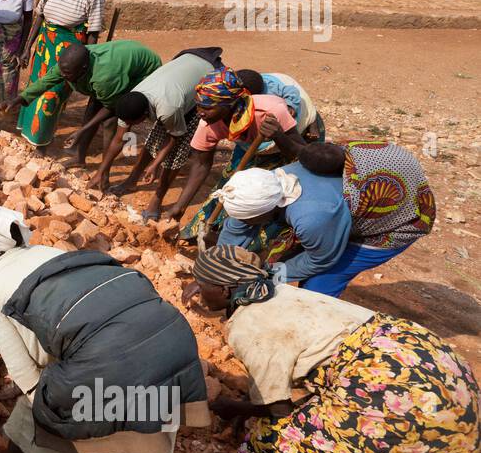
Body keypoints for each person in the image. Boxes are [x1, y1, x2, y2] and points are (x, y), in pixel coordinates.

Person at [179, 245, 479, 453]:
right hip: (436, 366)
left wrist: (235, 407)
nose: (195, 288)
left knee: (275, 444)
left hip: (395, 395)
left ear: (223, 289)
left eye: (200, 283)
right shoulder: (277, 291)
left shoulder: (249, 326)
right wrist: (207, 295)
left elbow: (276, 408)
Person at [0, 208, 208, 453]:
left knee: (33, 412)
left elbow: (24, 370)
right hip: (173, 338)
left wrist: (50, 411)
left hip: (113, 358)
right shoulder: (48, 253)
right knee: (140, 401)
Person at [216, 142, 435, 296]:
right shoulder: (263, 185)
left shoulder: (313, 216)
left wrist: (267, 274)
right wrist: (217, 267)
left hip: (395, 220)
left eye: (250, 220)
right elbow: (238, 226)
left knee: (317, 287)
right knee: (285, 252)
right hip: (362, 182)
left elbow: (320, 259)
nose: (244, 223)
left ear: (265, 211)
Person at [171, 68, 307, 232]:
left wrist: (278, 136)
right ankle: (206, 231)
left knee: (268, 195)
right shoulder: (208, 123)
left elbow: (302, 155)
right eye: (199, 106)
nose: (200, 113)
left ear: (229, 104)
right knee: (229, 190)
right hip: (250, 144)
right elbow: (201, 165)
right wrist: (180, 206)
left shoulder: (271, 110)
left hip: (289, 140)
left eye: (207, 107)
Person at [93, 47, 223, 208]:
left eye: (133, 123)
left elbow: (175, 137)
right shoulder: (132, 99)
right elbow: (119, 139)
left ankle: (158, 198)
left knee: (176, 154)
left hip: (208, 75)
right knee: (155, 138)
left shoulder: (168, 108)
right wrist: (101, 171)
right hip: (186, 60)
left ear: (145, 114)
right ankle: (131, 181)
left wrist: (156, 164)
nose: (130, 126)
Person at [17, 0, 107, 150]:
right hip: (44, 45)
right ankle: (26, 136)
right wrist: (27, 48)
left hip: (69, 51)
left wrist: (86, 61)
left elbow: (93, 32)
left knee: (52, 95)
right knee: (35, 88)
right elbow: (39, 15)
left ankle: (41, 143)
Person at [16, 39, 161, 164]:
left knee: (113, 121)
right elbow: (47, 81)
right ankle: (80, 157)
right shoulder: (68, 65)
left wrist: (82, 130)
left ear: (83, 69)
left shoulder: (104, 78)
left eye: (67, 74)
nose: (63, 76)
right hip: (122, 60)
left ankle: (105, 167)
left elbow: (109, 107)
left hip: (144, 72)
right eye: (62, 72)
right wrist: (20, 98)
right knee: (91, 109)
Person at [236, 69, 324, 142]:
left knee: (306, 110)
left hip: (291, 102)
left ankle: (312, 122)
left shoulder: (271, 89)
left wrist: (290, 105)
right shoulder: (234, 87)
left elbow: (292, 91)